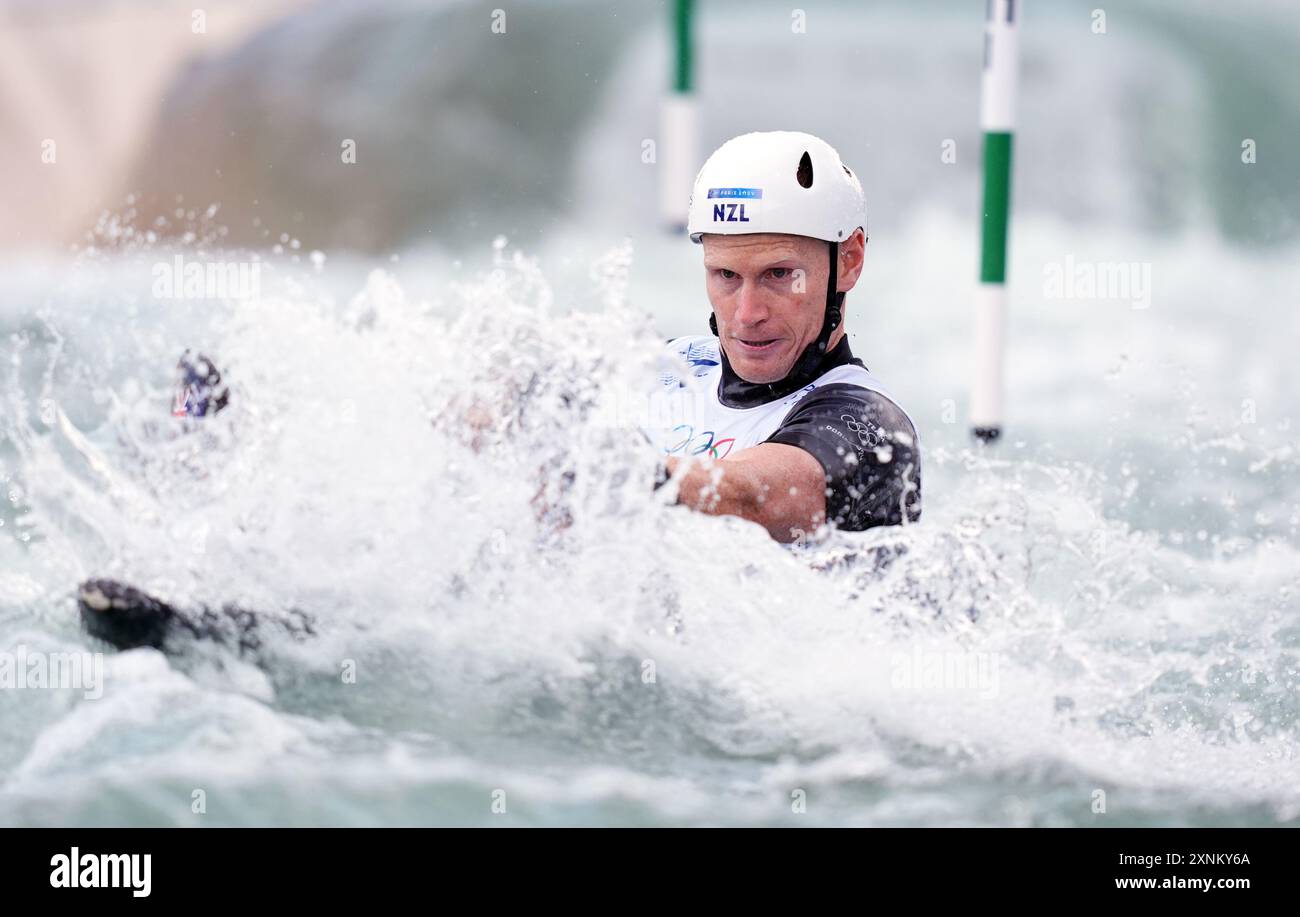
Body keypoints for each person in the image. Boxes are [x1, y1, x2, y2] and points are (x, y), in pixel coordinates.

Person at [649, 131, 920, 542]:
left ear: (849, 260)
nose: (747, 314)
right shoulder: (671, 363)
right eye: (726, 275)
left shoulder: (872, 427)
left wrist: (616, 474)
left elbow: (750, 499)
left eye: (779, 274)